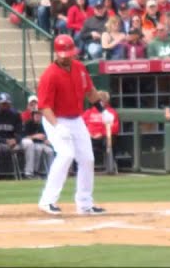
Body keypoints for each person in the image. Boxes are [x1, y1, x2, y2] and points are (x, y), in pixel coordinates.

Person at [36, 34, 106, 215]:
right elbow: (44, 107)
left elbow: (90, 92)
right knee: (66, 154)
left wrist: (102, 111)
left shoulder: (80, 68)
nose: (67, 57)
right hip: (55, 118)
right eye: (63, 54)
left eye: (69, 53)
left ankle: (85, 204)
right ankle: (47, 200)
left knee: (87, 159)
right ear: (57, 53)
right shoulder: (49, 75)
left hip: (76, 118)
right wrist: (57, 126)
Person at [0, 93, 25, 180]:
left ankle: (29, 173)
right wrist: (5, 141)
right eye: (3, 103)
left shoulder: (15, 114)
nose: (5, 105)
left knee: (28, 143)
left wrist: (15, 140)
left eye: (7, 103)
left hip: (12, 143)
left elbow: (20, 132)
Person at [81, 91, 119, 176]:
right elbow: (80, 124)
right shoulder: (89, 112)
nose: (100, 101)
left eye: (102, 99)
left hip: (104, 137)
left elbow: (114, 128)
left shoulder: (111, 112)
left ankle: (110, 168)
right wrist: (88, 133)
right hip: (89, 137)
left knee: (108, 141)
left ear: (106, 101)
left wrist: (102, 134)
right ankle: (80, 169)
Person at [21, 95, 54, 179]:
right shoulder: (28, 123)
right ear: (33, 115)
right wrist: (34, 136)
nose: (37, 116)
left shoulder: (44, 124)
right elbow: (23, 137)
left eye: (39, 114)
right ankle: (35, 171)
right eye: (35, 114)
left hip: (42, 143)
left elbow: (46, 136)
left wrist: (47, 140)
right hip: (33, 144)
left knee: (50, 151)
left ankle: (50, 172)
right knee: (38, 149)